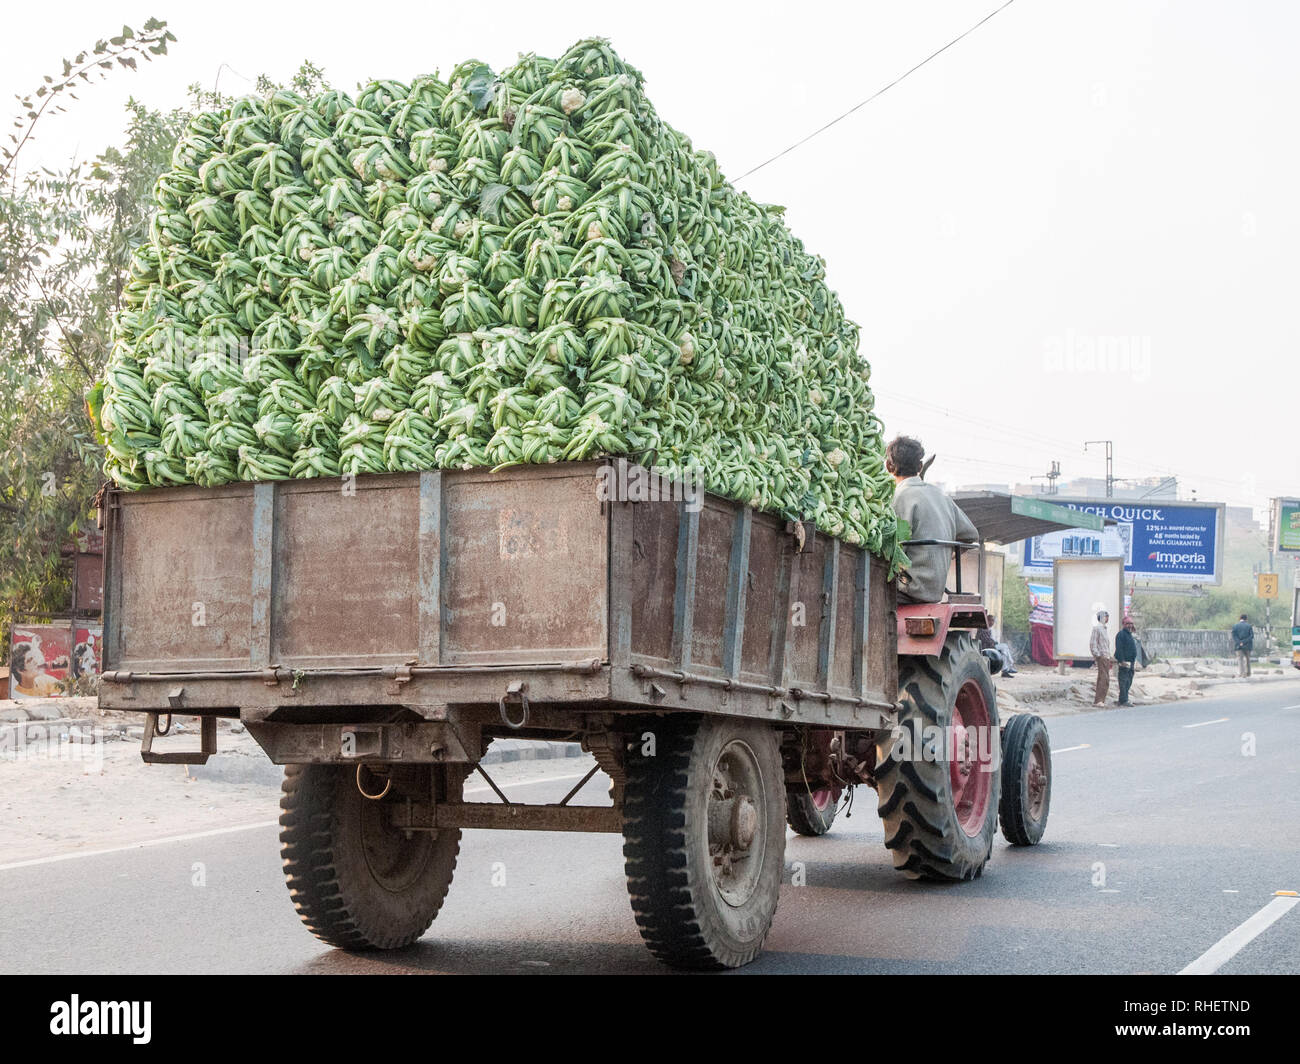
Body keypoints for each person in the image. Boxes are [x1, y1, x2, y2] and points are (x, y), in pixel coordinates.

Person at [887, 435, 978, 604]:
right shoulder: (941, 496)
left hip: (906, 589)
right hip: (935, 590)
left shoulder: (895, 498)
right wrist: (945, 553)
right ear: (920, 466)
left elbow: (892, 551)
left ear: (888, 466)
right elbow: (971, 535)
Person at [1090, 609, 1114, 706]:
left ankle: (1102, 699)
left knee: (1106, 679)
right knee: (1102, 678)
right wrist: (1098, 655)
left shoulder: (1104, 629)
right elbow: (1093, 643)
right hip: (1102, 657)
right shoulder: (1097, 628)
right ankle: (1098, 700)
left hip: (1106, 656)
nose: (1107, 618)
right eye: (1106, 616)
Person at [1114, 617, 1138, 706]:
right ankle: (1123, 700)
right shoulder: (1121, 635)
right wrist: (1122, 660)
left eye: (1131, 623)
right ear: (1124, 624)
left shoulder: (1130, 634)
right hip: (1124, 661)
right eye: (1128, 623)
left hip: (1131, 662)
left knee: (1129, 681)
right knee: (1123, 681)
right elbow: (1119, 649)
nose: (1130, 625)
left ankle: (1123, 699)